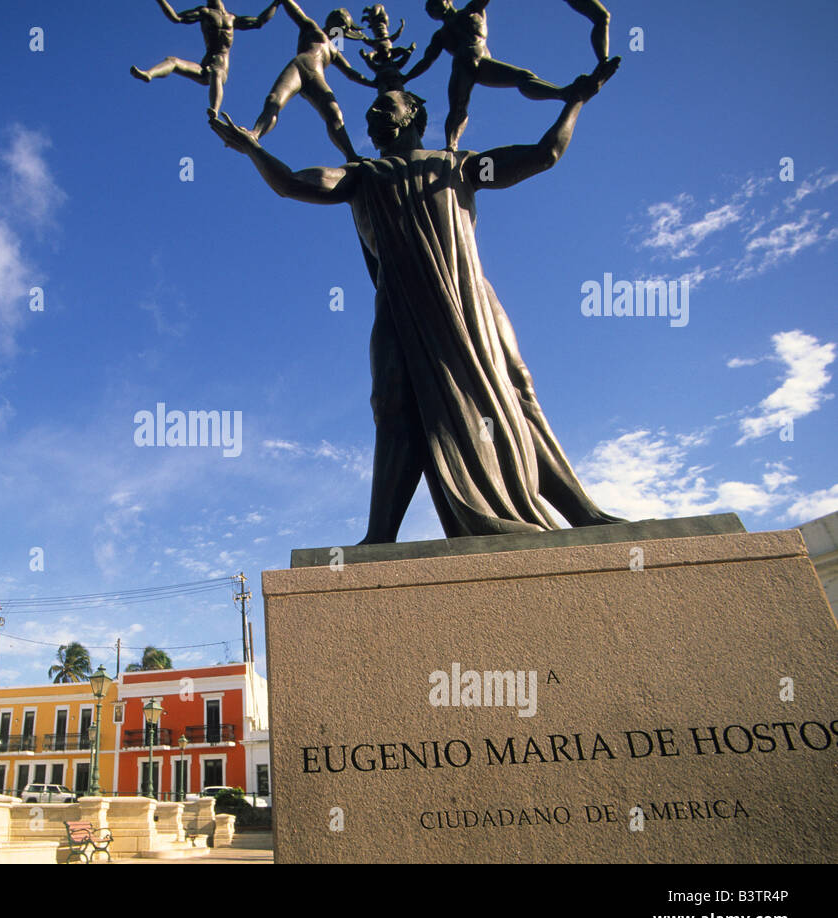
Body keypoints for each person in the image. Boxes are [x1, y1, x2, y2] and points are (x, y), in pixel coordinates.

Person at [208, 66, 623, 541]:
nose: (373, 119)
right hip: (400, 306)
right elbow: (294, 184)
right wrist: (253, 149)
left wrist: (576, 100)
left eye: (385, 107)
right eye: (369, 113)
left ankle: (585, 512)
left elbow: (545, 153)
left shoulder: (459, 165)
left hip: (469, 300)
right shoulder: (362, 176)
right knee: (391, 400)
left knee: (517, 387)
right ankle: (379, 536)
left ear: (415, 115)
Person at [400, 0, 617, 151]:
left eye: (436, 4)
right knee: (458, 107)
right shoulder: (441, 36)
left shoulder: (473, 10)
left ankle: (563, 93)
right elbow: (426, 60)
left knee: (523, 77)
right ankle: (451, 145)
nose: (435, 9)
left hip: (482, 62)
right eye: (431, 10)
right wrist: (406, 77)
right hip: (462, 66)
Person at [251, 3, 377, 161]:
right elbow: (296, 12)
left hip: (317, 77)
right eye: (340, 20)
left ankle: (351, 156)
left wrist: (373, 82)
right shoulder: (312, 27)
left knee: (334, 114)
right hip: (300, 66)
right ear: (330, 20)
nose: (341, 25)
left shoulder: (334, 49)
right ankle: (255, 133)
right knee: (275, 100)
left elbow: (350, 73)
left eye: (344, 25)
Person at [131, 0, 281, 119]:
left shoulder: (232, 18)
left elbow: (259, 22)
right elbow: (176, 18)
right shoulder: (204, 12)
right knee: (173, 60)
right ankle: (149, 74)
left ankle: (214, 109)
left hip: (220, 67)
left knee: (215, 74)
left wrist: (276, 3)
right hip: (204, 67)